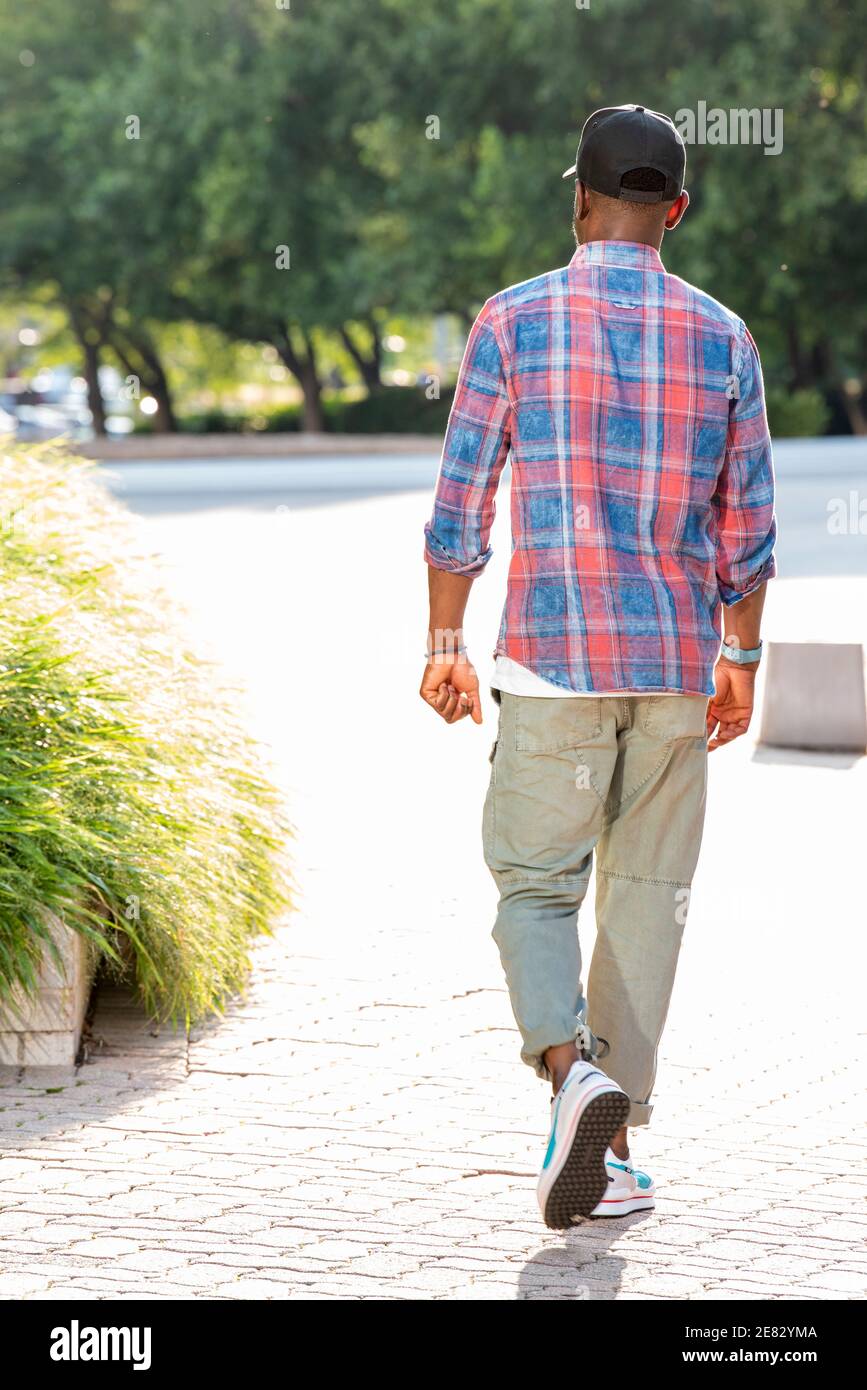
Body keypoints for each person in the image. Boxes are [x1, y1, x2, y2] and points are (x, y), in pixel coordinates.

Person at [420, 105, 776, 1228]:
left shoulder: (514, 320)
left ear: (577, 200)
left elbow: (460, 500)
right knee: (646, 903)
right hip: (675, 671)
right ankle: (612, 1156)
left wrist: (444, 644)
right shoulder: (725, 336)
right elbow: (750, 529)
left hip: (553, 669)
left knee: (534, 885)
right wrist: (743, 661)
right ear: (677, 209)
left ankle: (573, 1076)